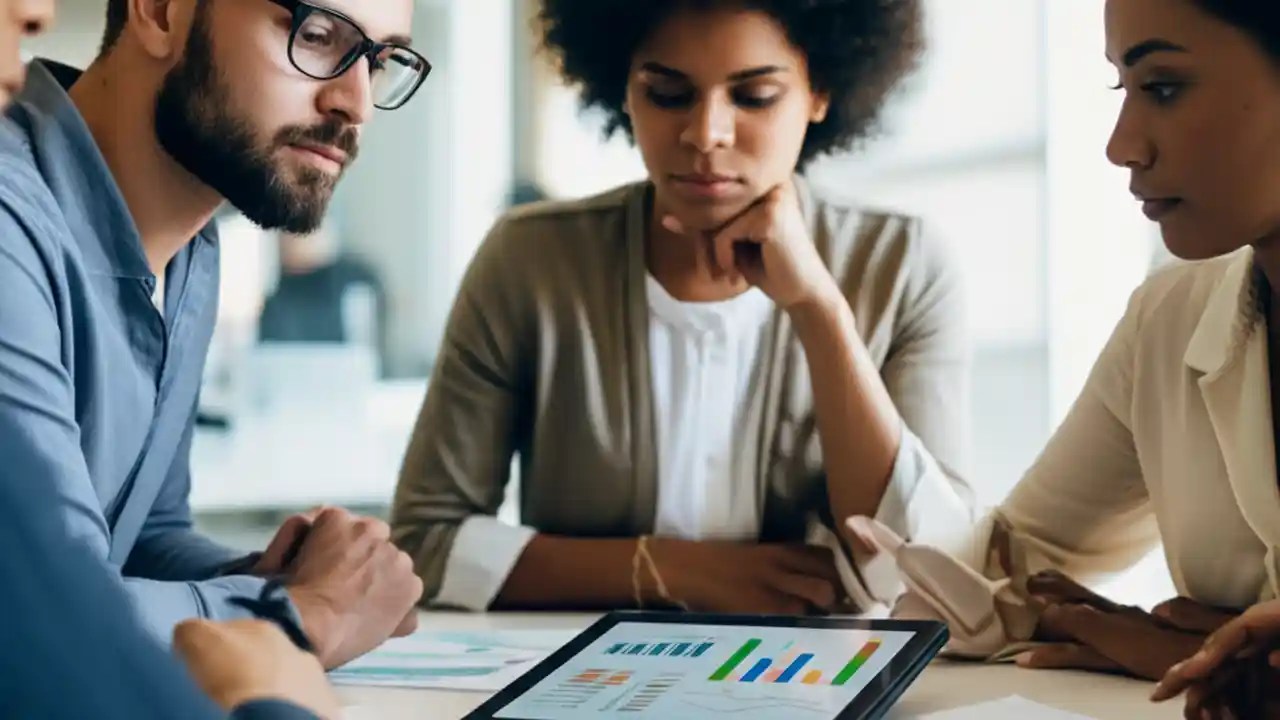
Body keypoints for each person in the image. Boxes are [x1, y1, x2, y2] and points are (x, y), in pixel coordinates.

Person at [392, 0, 974, 614]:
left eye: (754, 97)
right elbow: (425, 542)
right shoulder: (531, 262)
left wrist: (818, 309)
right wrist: (665, 569)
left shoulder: (902, 266)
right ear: (623, 89)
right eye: (669, 94)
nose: (705, 134)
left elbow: (931, 574)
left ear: (820, 91)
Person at [859, 0, 1280, 694]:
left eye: (1164, 88)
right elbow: (1002, 577)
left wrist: (1224, 655)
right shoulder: (1170, 318)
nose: (1122, 146)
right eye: (1125, 89)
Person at [0, 0, 430, 669]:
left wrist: (275, 576)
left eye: (380, 62)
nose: (357, 103)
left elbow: (140, 537)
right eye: (316, 36)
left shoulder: (196, 250)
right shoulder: (9, 227)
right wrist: (307, 613)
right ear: (162, 12)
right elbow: (43, 612)